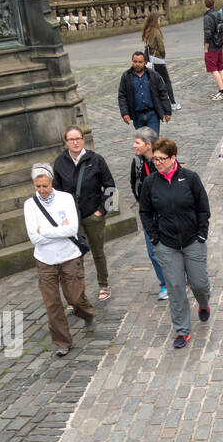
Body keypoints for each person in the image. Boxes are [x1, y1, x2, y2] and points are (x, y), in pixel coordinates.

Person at [138, 137, 210, 350]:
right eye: (155, 159)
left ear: (173, 158)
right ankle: (182, 330)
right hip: (167, 244)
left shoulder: (190, 178)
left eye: (161, 159)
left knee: (199, 283)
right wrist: (155, 239)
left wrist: (201, 235)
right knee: (176, 287)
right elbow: (145, 212)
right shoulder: (150, 183)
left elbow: (203, 208)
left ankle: (204, 304)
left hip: (192, 241)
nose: (157, 162)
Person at [24, 162, 95, 356]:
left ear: (51, 182)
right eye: (38, 187)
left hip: (69, 255)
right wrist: (57, 231)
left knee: (74, 298)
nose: (42, 190)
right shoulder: (30, 205)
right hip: (44, 260)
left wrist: (45, 231)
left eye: (45, 186)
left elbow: (71, 229)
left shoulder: (65, 199)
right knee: (52, 303)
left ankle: (86, 312)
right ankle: (63, 342)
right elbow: (34, 237)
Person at [52, 125, 116, 302]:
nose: (75, 142)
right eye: (71, 139)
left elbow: (111, 187)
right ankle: (77, 294)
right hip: (72, 219)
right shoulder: (59, 162)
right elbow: (56, 192)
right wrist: (62, 217)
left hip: (92, 215)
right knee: (74, 257)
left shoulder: (96, 160)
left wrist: (101, 211)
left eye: (78, 138)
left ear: (83, 139)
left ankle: (103, 284)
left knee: (98, 252)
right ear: (66, 142)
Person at [129, 127, 168, 299]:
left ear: (148, 145)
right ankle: (164, 283)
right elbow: (134, 183)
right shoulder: (137, 162)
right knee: (153, 251)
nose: (134, 146)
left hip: (166, 213)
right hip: (148, 214)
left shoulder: (163, 160)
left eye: (137, 143)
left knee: (172, 246)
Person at [117, 50, 171, 135]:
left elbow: (163, 93)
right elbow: (122, 96)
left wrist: (167, 111)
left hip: (152, 114)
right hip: (137, 116)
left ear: (145, 63)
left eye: (140, 62)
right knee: (143, 142)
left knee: (153, 140)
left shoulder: (153, 75)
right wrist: (125, 113)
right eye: (135, 61)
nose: (137, 64)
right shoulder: (126, 76)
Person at [140, 11, 179, 111]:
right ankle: (173, 103)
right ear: (155, 21)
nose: (160, 21)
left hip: (151, 60)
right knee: (166, 81)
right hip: (158, 60)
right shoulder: (156, 31)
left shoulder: (147, 31)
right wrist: (163, 55)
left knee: (154, 83)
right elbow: (161, 47)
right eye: (159, 19)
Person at [202, 0, 223, 100]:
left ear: (205, 5)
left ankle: (222, 91)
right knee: (220, 67)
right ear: (214, 4)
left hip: (212, 46)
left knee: (213, 69)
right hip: (219, 44)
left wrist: (206, 47)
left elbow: (208, 34)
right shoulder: (218, 14)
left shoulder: (207, 17)